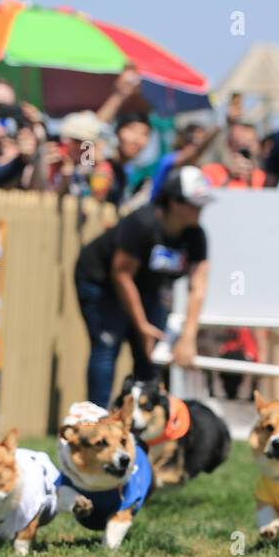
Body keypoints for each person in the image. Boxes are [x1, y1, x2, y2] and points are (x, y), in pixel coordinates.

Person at [73, 166, 215, 407]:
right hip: (102, 283)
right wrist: (140, 324)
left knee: (150, 357)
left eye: (202, 204)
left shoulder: (196, 236)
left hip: (148, 288)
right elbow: (121, 274)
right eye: (194, 203)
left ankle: (143, 420)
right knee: (107, 347)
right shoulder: (142, 224)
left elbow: (198, 285)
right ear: (173, 201)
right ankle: (97, 418)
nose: (200, 210)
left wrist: (188, 337)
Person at [201, 122, 266, 190]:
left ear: (258, 146)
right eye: (238, 144)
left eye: (249, 144)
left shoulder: (265, 178)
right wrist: (228, 178)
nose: (244, 151)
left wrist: (250, 179)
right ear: (228, 144)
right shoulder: (210, 172)